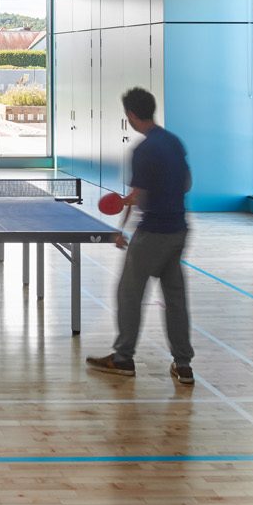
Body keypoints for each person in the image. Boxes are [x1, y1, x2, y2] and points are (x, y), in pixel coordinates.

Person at [87, 87, 195, 387]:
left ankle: (122, 358)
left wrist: (124, 232)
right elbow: (185, 184)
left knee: (129, 294)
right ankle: (183, 365)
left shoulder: (143, 150)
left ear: (132, 116)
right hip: (179, 229)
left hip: (154, 233)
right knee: (175, 298)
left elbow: (144, 198)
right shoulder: (173, 141)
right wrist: (155, 192)